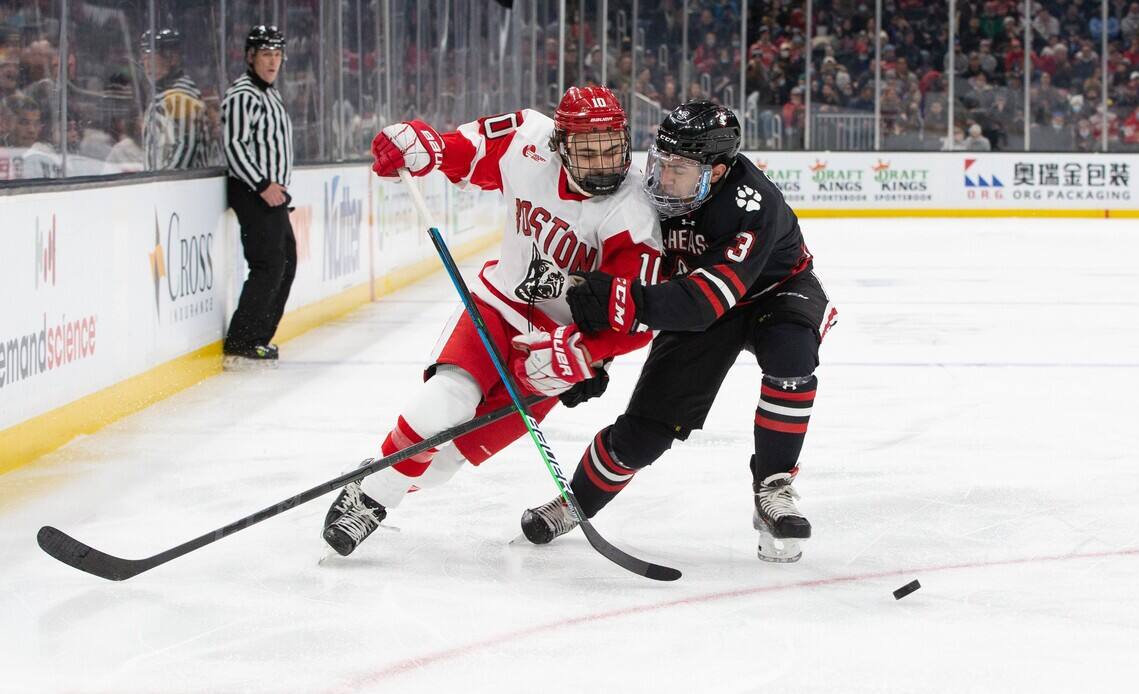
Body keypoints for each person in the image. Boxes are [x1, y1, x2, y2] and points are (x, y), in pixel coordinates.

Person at [320, 87, 663, 557]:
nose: (603, 165)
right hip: (496, 308)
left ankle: (379, 474)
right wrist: (424, 146)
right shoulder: (527, 138)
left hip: (552, 349)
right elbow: (464, 151)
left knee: (443, 465)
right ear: (560, 145)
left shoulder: (635, 213)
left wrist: (587, 354)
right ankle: (371, 501)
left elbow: (637, 316)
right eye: (587, 153)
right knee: (445, 402)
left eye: (611, 150)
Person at [521, 101, 837, 563]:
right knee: (644, 434)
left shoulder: (752, 203)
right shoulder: (645, 196)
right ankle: (576, 503)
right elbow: (628, 283)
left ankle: (773, 486)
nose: (664, 179)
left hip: (775, 293)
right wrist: (595, 353)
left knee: (792, 358)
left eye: (680, 169)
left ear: (718, 171)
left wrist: (616, 309)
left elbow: (701, 302)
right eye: (661, 163)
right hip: (696, 300)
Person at [221, 25, 295, 367]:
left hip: (273, 194)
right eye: (266, 54)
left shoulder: (270, 95)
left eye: (277, 55)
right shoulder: (243, 95)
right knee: (268, 265)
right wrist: (263, 184)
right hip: (254, 192)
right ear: (251, 57)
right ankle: (242, 340)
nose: (273, 61)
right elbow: (234, 146)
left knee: (286, 263)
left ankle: (259, 337)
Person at [139, 28, 211, 171]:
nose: (147, 65)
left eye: (153, 57)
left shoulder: (180, 99)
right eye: (145, 58)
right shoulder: (165, 96)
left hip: (178, 185)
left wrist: (160, 183)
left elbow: (182, 156)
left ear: (173, 58)